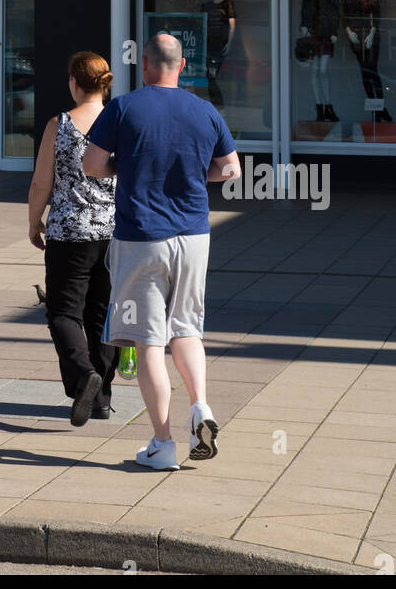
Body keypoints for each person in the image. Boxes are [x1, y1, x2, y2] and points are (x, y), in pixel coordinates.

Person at [83, 33, 241, 470]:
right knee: (187, 329)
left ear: (145, 64)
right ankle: (201, 407)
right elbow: (230, 169)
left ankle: (162, 443)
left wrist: (126, 166)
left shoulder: (124, 107)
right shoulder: (204, 110)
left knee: (148, 341)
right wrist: (193, 174)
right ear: (183, 65)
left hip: (141, 238)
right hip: (193, 237)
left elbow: (93, 165)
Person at [27, 51, 118, 425]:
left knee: (63, 312)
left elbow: (40, 183)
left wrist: (34, 223)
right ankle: (102, 400)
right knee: (102, 316)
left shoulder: (58, 125)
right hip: (113, 233)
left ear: (75, 83)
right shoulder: (120, 123)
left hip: (68, 233)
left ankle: (84, 376)